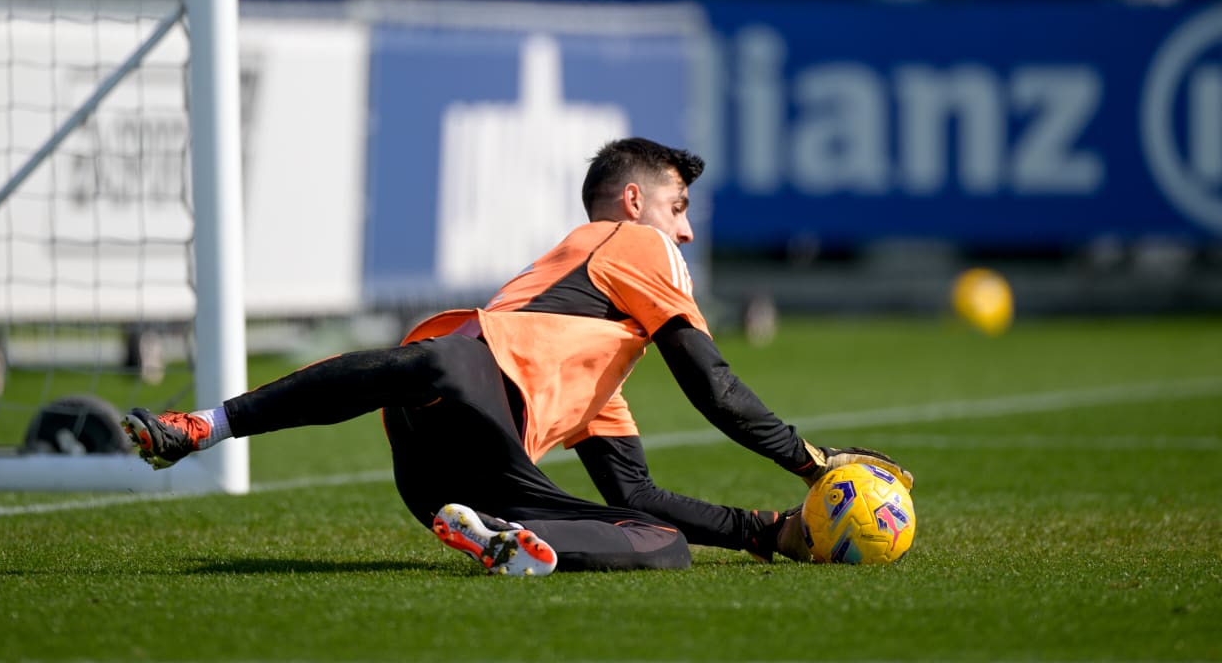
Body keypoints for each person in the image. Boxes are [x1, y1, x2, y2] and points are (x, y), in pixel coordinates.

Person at [122, 137, 913, 576]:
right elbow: (711, 382)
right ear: (635, 202)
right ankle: (205, 425)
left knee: (658, 541)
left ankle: (506, 541)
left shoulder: (595, 360)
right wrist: (812, 464)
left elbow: (637, 491)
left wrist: (765, 531)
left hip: (446, 477)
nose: (688, 233)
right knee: (437, 361)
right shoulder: (633, 241)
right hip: (462, 380)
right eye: (680, 208)